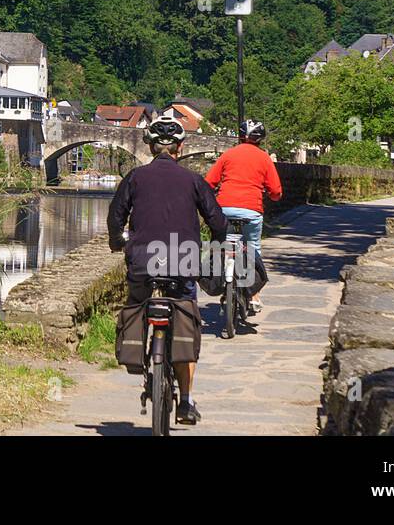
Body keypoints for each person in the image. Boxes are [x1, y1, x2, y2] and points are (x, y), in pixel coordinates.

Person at [108, 115, 227, 425]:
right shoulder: (194, 181)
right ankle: (186, 402)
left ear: (149, 146)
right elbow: (218, 222)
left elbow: (115, 217)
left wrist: (117, 242)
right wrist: (214, 243)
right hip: (183, 261)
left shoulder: (135, 177)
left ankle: (138, 352)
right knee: (187, 317)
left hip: (142, 261)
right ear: (181, 147)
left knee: (137, 303)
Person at [204, 119, 282, 313]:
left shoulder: (228, 155)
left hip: (225, 209)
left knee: (220, 244)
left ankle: (220, 281)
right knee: (252, 248)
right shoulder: (264, 158)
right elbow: (276, 191)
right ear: (261, 139)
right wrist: (271, 195)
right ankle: (254, 294)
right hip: (251, 210)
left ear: (240, 137)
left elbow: (209, 183)